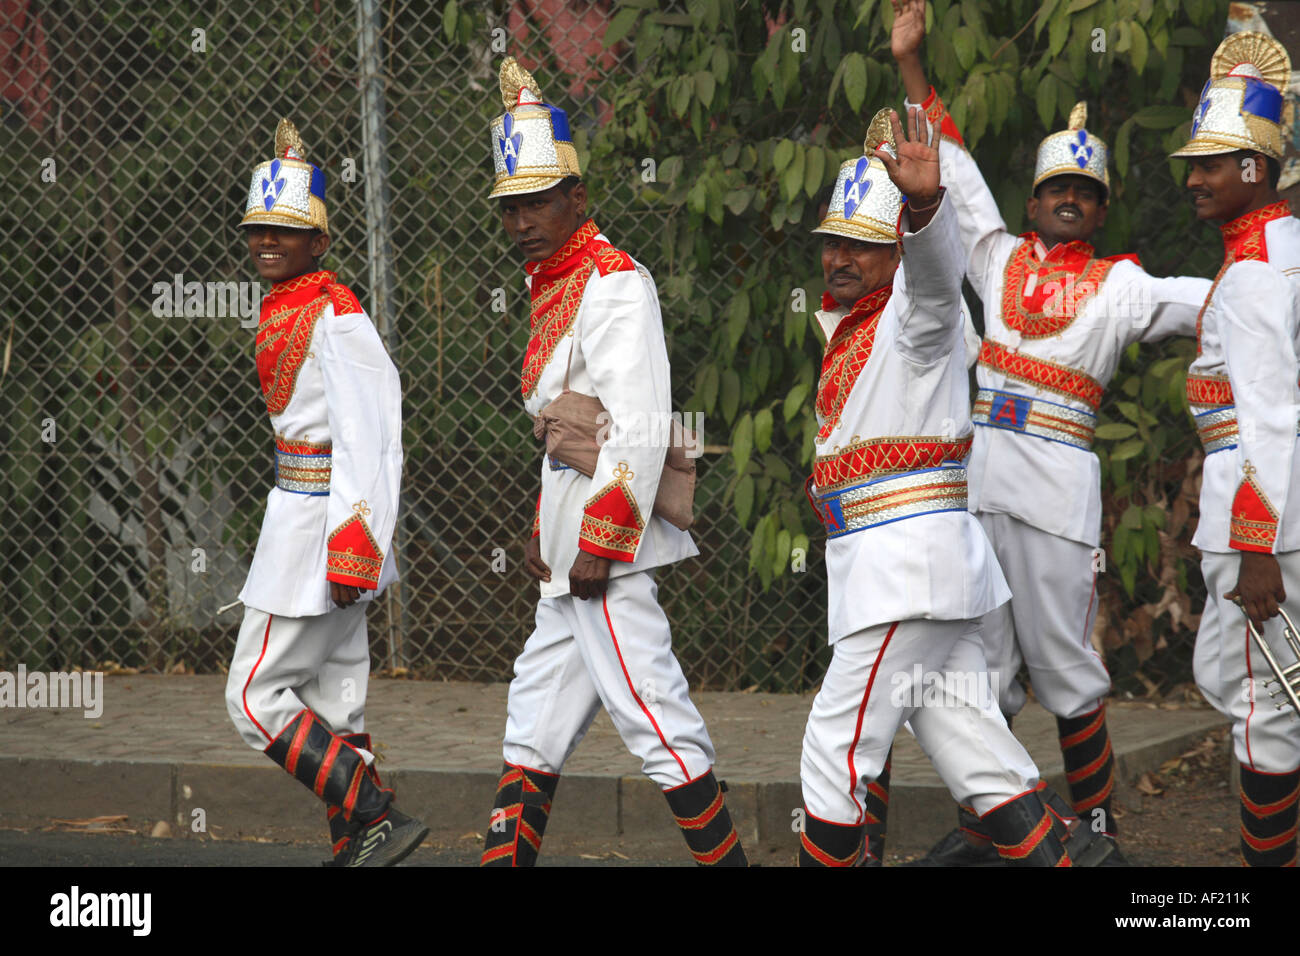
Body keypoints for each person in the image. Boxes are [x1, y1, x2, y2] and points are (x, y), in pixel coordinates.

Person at [888, 0, 1210, 865]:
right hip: (979, 482)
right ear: (1033, 200)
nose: (1069, 199)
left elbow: (1220, 300)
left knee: (1064, 667)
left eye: (1085, 192)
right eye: (1056, 188)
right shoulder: (992, 257)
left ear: (1100, 211)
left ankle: (1098, 834)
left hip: (1055, 495)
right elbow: (947, 170)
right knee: (978, 668)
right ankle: (985, 830)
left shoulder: (1123, 287)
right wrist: (912, 68)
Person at [796, 104, 1113, 867]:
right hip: (925, 580)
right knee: (978, 754)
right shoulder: (854, 330)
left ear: (894, 253)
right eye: (833, 242)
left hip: (908, 582)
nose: (841, 258)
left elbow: (936, 281)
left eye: (863, 245)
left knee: (832, 749)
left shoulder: (915, 316)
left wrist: (927, 209)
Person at [479, 58, 746, 867]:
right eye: (510, 206)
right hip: (571, 546)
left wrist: (599, 538)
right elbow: (566, 436)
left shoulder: (614, 283)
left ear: (577, 198)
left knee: (655, 717)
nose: (522, 219)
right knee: (534, 721)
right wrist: (546, 532)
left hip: (608, 550)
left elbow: (634, 427)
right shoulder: (551, 283)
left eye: (536, 202)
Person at [223, 118, 428, 867]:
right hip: (305, 525)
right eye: (258, 228)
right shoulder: (291, 304)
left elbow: (373, 441)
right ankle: (364, 849)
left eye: (286, 228)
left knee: (252, 698)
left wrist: (355, 549)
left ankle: (378, 815)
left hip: (325, 536)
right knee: (339, 702)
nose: (267, 240)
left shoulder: (336, 317)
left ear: (320, 241)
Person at [1173, 31, 1300, 867]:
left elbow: (1269, 418)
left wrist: (1257, 551)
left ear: (1254, 169)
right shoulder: (1281, 249)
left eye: (1209, 165)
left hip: (1261, 523)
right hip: (1268, 512)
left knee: (1265, 709)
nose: (1192, 180)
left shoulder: (1256, 271)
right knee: (1245, 686)